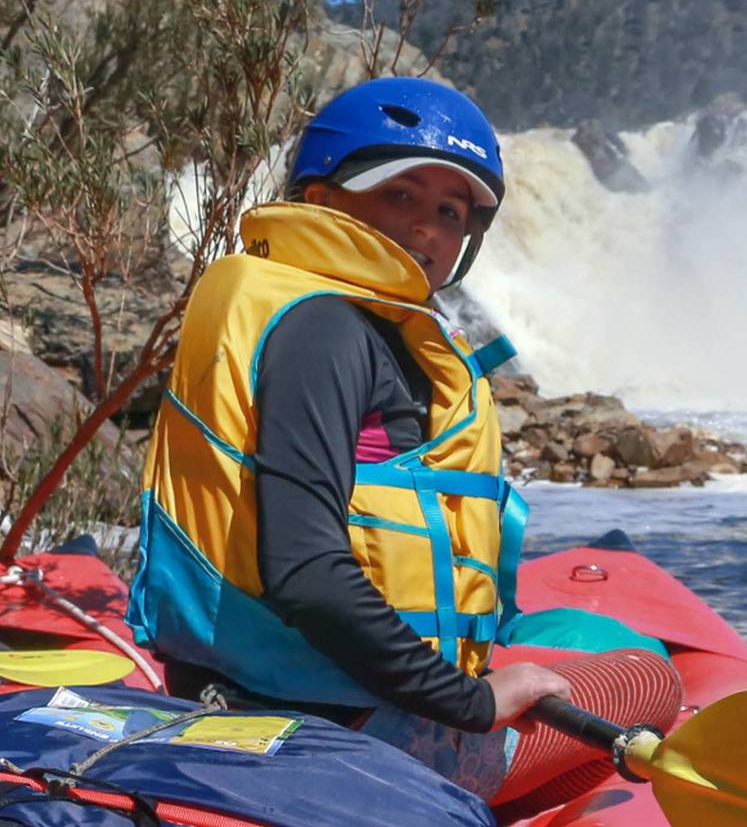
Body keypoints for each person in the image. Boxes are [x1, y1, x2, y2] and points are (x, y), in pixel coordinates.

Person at [128, 77, 572, 797]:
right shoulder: (328, 330)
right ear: (321, 201)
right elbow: (306, 573)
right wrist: (472, 700)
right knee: (636, 681)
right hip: (330, 722)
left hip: (287, 688)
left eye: (451, 210)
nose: (428, 228)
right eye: (400, 194)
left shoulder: (337, 319)